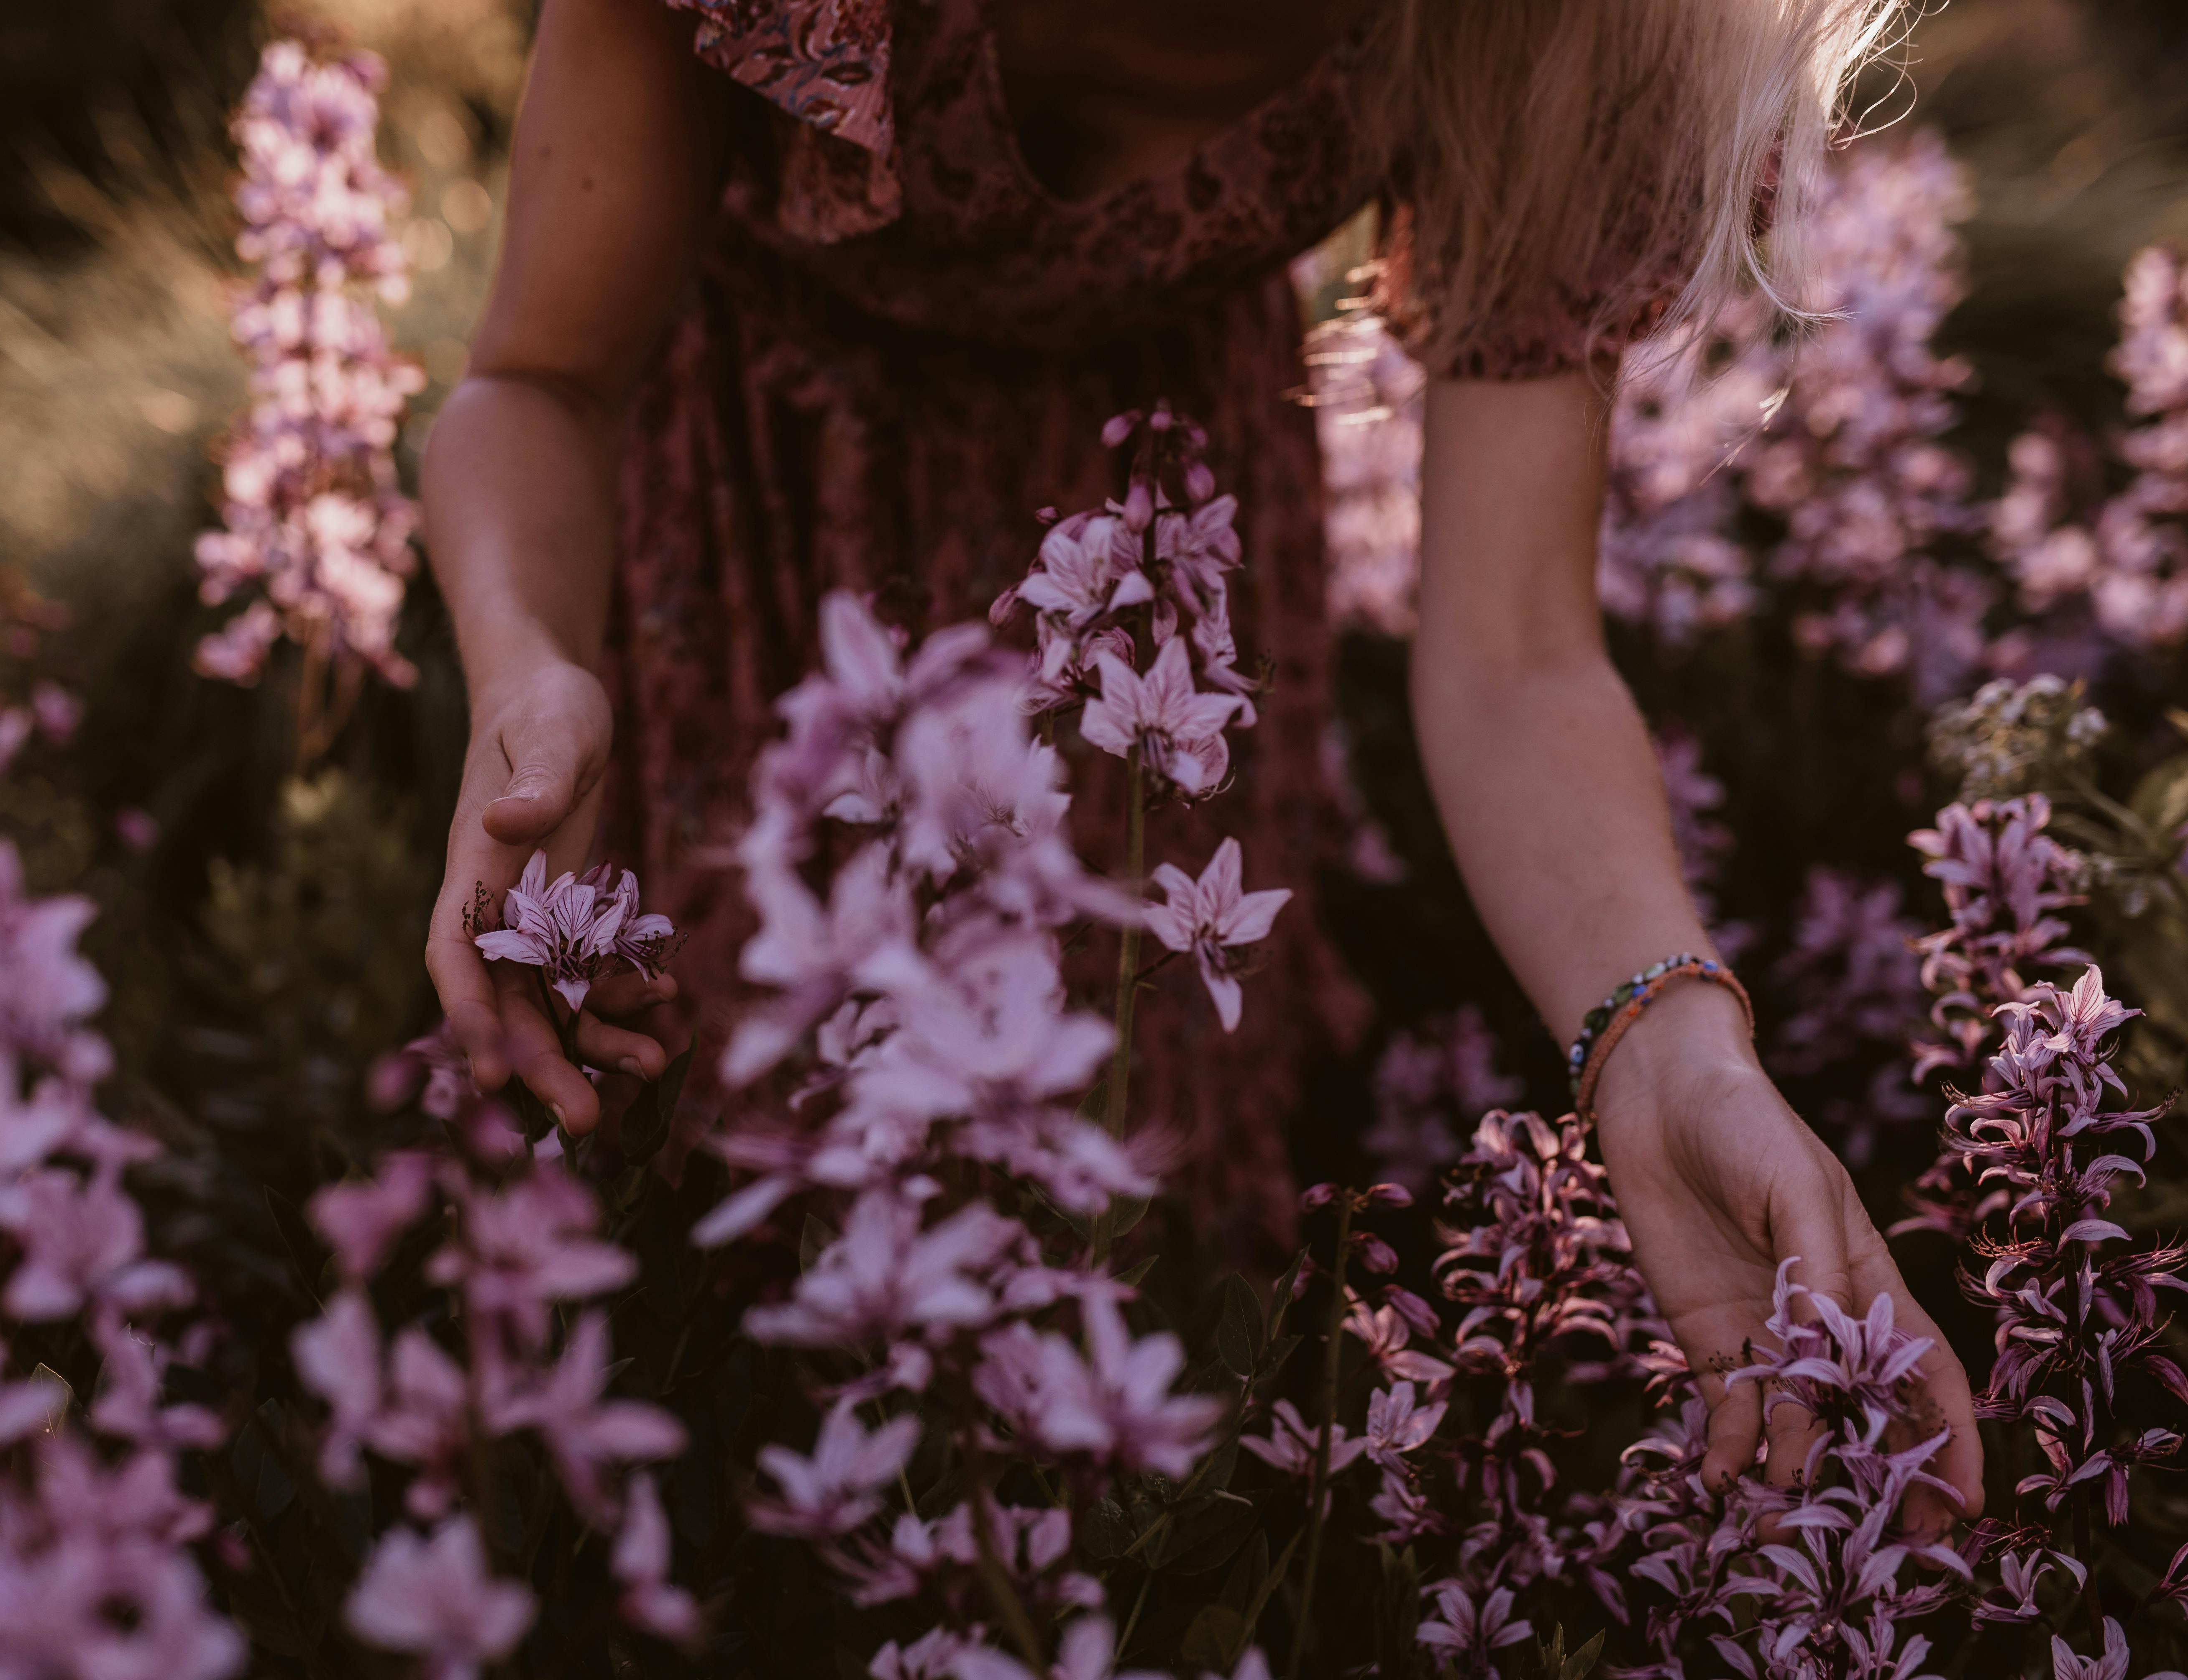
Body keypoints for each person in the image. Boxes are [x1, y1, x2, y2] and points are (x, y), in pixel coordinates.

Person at [418, 0, 1981, 1529]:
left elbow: (1515, 660)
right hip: (753, 553)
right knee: (733, 1275)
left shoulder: (1564, 34)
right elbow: (539, 383)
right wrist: (532, 670)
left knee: (1119, 1259)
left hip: (1153, 633)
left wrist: (1674, 1047)